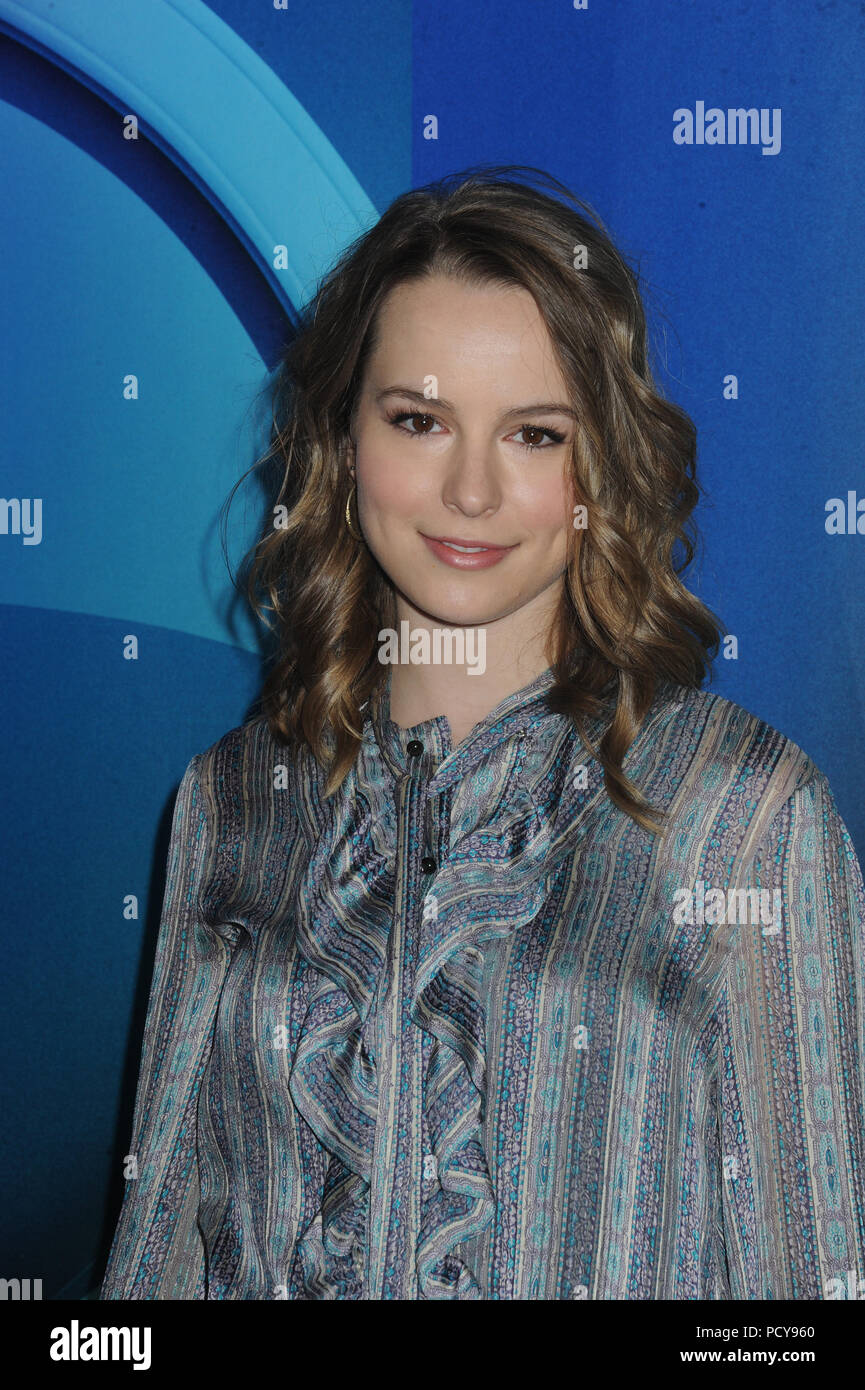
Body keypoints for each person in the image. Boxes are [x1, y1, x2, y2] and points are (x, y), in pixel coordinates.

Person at [100, 165, 865, 1300]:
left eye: (534, 436)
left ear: (596, 466)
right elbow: (155, 1260)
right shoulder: (231, 797)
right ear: (341, 439)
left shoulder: (743, 814)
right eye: (418, 420)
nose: (469, 490)